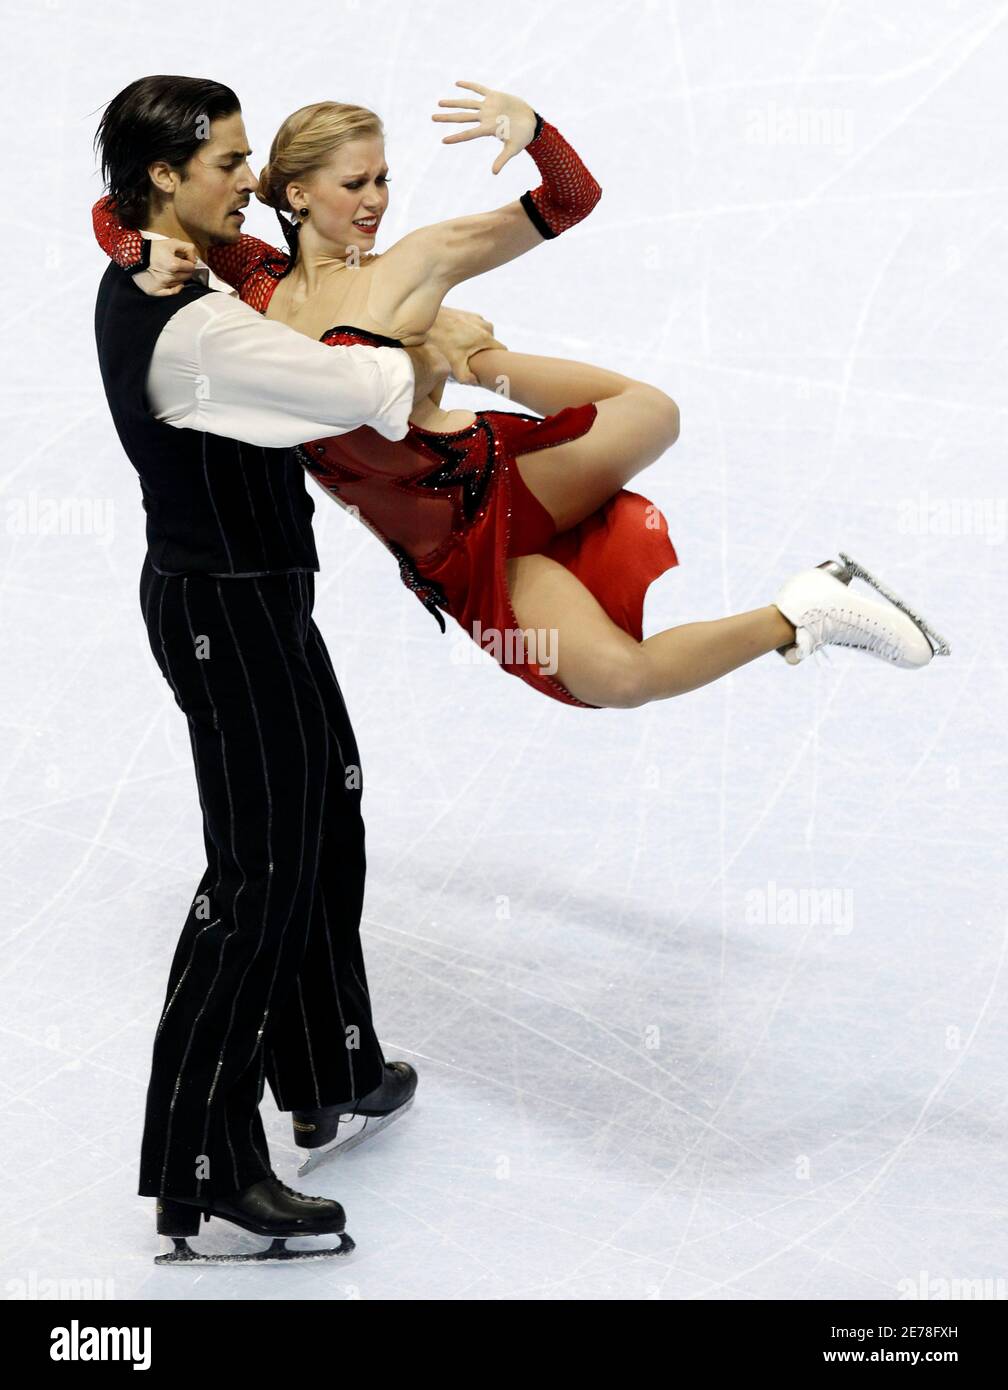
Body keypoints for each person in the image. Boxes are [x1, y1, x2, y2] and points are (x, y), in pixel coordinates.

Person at [94, 79, 949, 713]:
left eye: (383, 179)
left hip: (486, 480)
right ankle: (802, 612)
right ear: (296, 193)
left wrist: (534, 131)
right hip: (444, 555)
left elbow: (570, 199)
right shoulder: (251, 278)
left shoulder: (415, 260)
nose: (376, 201)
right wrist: (129, 246)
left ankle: (479, 357)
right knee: (619, 679)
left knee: (655, 414)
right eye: (354, 183)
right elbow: (119, 200)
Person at [91, 74, 500, 1265]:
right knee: (258, 873)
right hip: (223, 609)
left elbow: (112, 218)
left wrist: (135, 239)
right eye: (226, 160)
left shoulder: (173, 256)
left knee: (332, 803)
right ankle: (202, 1163)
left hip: (258, 596)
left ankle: (329, 1067)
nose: (250, 176)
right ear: (166, 176)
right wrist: (424, 338)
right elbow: (355, 394)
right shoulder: (195, 318)